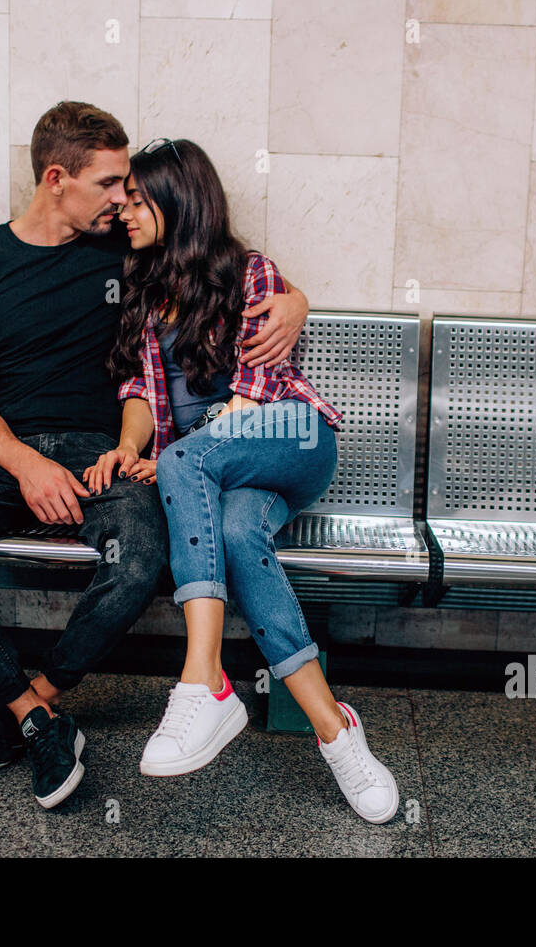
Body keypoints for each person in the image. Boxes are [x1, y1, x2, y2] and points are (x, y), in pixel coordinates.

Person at [0, 104, 311, 810]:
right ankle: (34, 715)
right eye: (109, 182)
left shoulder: (129, 253)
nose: (122, 198)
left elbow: (221, 268)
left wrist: (295, 301)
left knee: (141, 555)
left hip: (103, 455)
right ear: (56, 178)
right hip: (2, 452)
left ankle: (36, 702)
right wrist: (25, 465)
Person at [82, 138, 400, 824]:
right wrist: (131, 448)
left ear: (179, 200)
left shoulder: (250, 273)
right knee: (231, 529)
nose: (124, 211)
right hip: (219, 474)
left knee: (186, 462)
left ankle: (203, 682)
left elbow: (252, 397)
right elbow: (142, 389)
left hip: (289, 436)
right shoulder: (140, 291)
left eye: (137, 199)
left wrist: (176, 456)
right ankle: (336, 731)